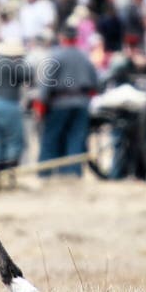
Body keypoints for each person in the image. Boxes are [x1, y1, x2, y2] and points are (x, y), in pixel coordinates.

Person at [35, 25, 99, 178]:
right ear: (76, 38)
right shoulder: (85, 56)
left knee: (51, 137)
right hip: (81, 102)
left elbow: (46, 84)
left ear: (62, 37)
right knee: (76, 137)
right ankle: (73, 172)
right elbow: (95, 84)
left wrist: (41, 104)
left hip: (59, 103)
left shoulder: (55, 55)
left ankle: (45, 172)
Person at [0, 39, 33, 174]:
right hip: (6, 104)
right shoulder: (10, 63)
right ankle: (9, 172)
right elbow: (28, 75)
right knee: (15, 140)